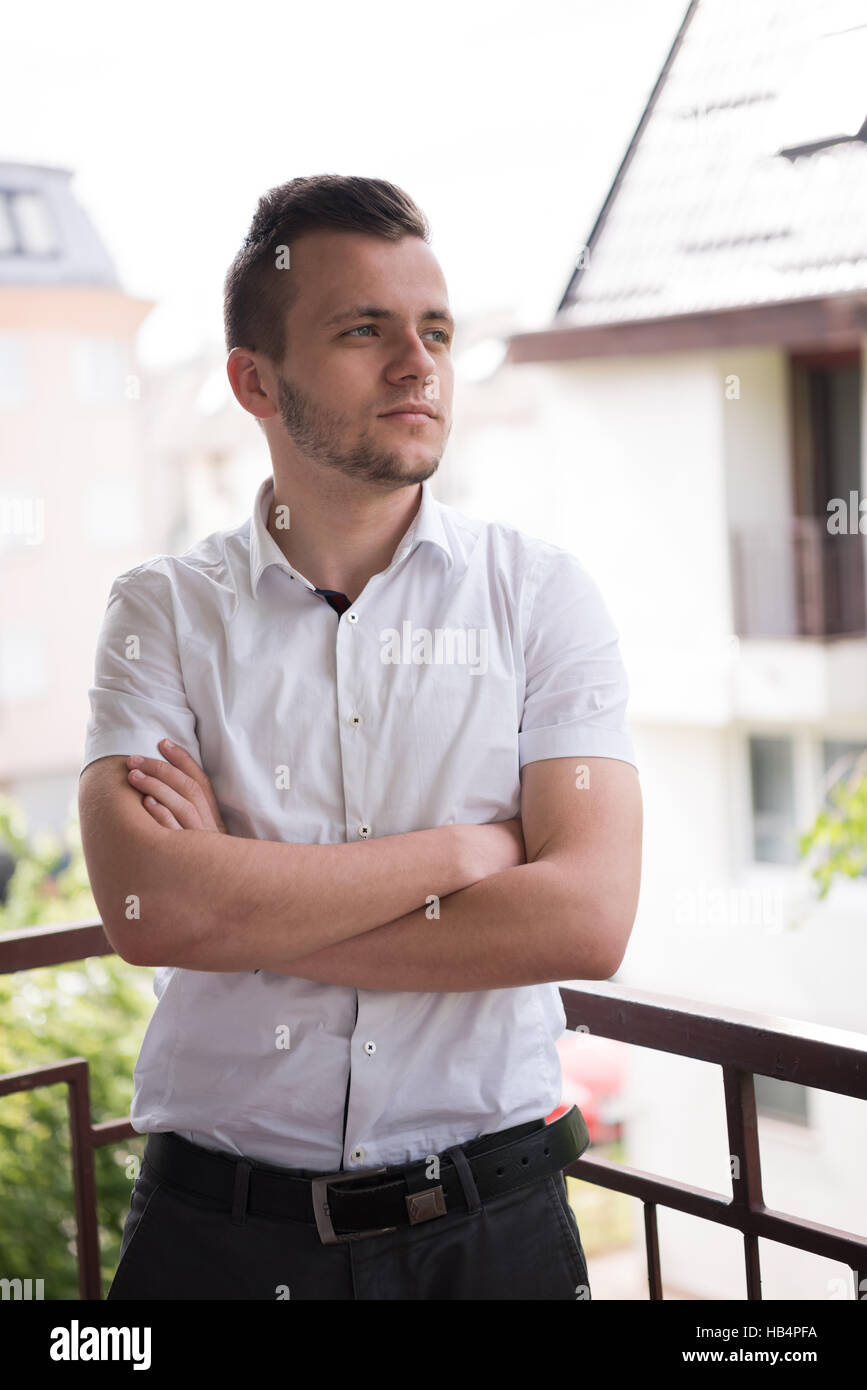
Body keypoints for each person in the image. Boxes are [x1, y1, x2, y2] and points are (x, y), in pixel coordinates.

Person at [78, 174, 643, 1300]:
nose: (418, 362)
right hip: (218, 1241)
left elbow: (586, 917)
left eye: (433, 328)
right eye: (363, 330)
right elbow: (150, 910)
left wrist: (234, 907)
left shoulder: (542, 598)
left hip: (494, 1236)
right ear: (254, 381)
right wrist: (464, 856)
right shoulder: (162, 611)